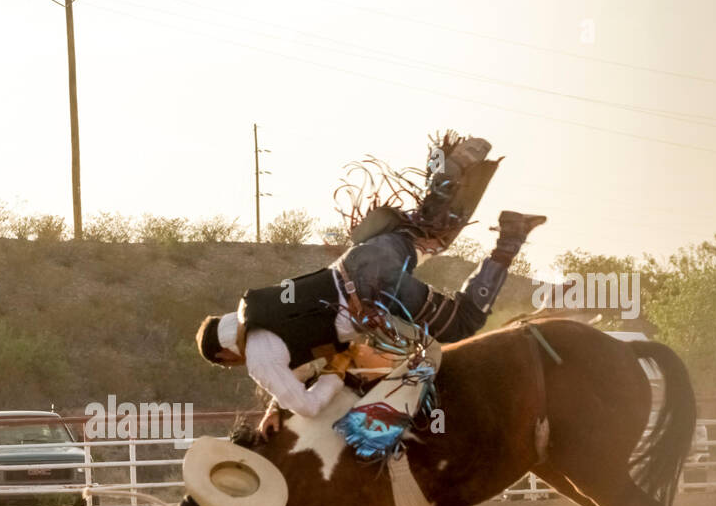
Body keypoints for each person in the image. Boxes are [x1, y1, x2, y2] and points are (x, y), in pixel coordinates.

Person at [196, 132, 546, 438]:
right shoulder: (259, 313)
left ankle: (511, 237)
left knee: (464, 322)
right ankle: (445, 177)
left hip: (370, 291)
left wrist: (337, 367)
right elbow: (296, 366)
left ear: (226, 355)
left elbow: (309, 405)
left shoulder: (258, 360)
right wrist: (276, 405)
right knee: (428, 234)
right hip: (359, 260)